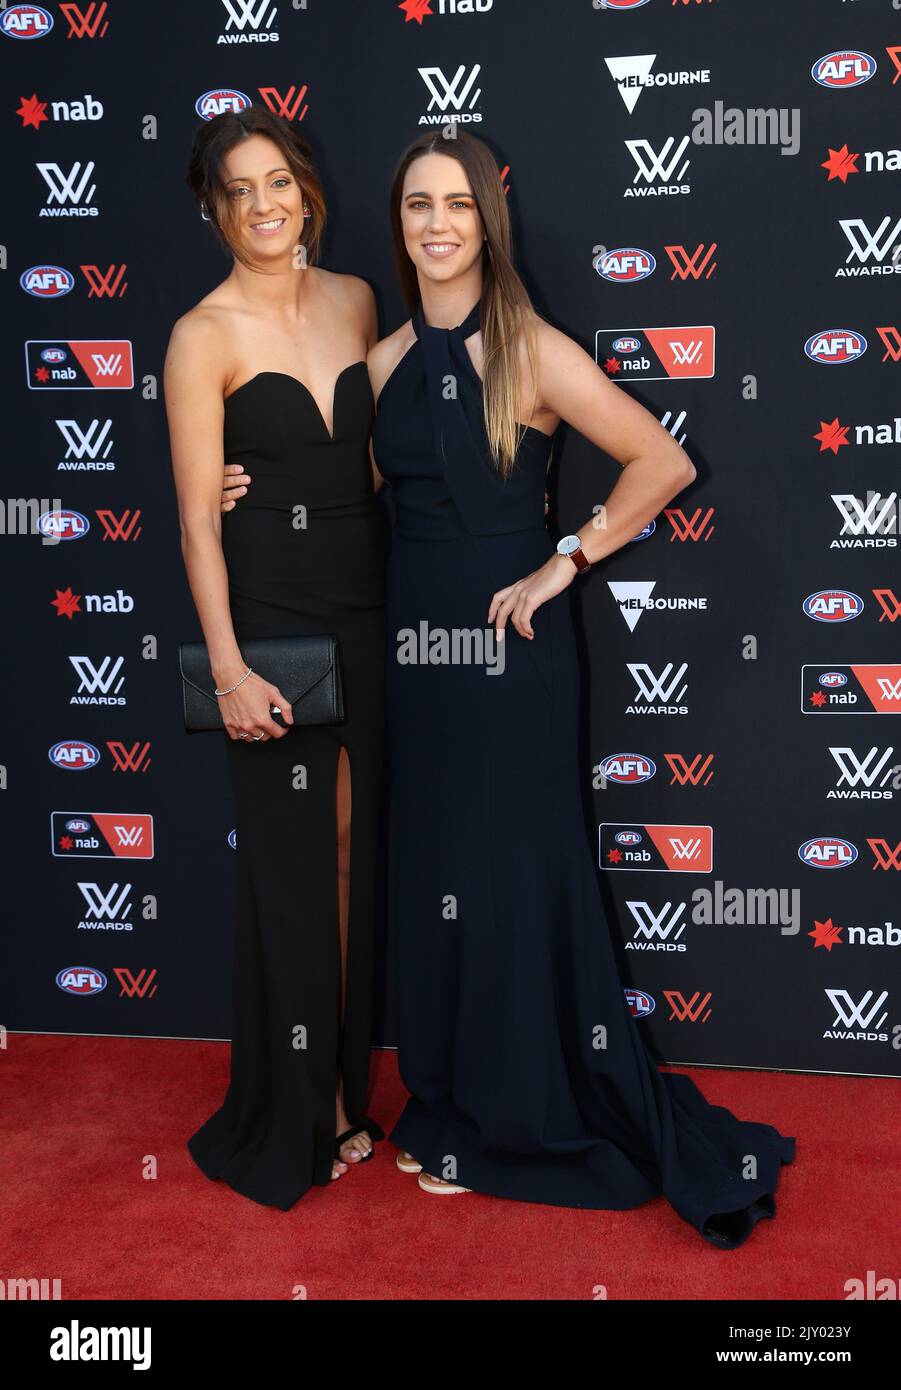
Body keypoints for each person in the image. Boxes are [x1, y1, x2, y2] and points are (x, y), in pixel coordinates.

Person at [222, 128, 796, 1247]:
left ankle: (523, 1116)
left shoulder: (529, 348)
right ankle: (449, 1106)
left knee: (512, 882)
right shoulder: (381, 361)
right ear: (397, 225)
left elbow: (662, 462)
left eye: (456, 206)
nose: (435, 225)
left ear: (488, 221)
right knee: (437, 878)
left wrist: (564, 560)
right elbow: (343, 489)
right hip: (413, 656)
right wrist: (239, 474)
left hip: (510, 657)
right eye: (416, 206)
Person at [165, 107, 387, 1208]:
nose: (262, 205)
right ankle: (301, 1109)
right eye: (237, 190)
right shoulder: (201, 335)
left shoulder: (354, 299)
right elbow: (198, 521)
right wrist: (229, 667)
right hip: (270, 624)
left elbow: (386, 458)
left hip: (369, 605)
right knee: (293, 874)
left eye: (277, 183)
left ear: (306, 189)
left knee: (352, 857)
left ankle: (342, 1083)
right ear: (215, 211)